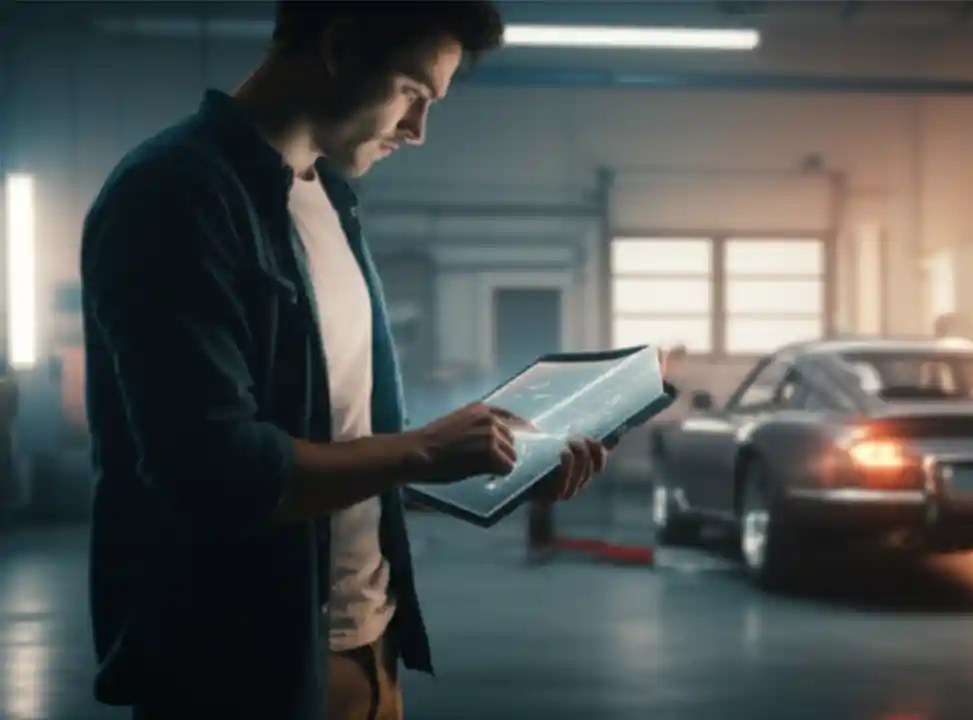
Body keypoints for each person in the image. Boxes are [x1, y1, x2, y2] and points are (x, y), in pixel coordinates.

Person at [79, 3, 607, 718]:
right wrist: (424, 449)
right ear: (338, 46)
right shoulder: (174, 195)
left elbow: (347, 447)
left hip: (369, 647)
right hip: (242, 672)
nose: (418, 130)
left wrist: (490, 467)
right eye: (412, 92)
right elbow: (211, 470)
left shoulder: (327, 197)